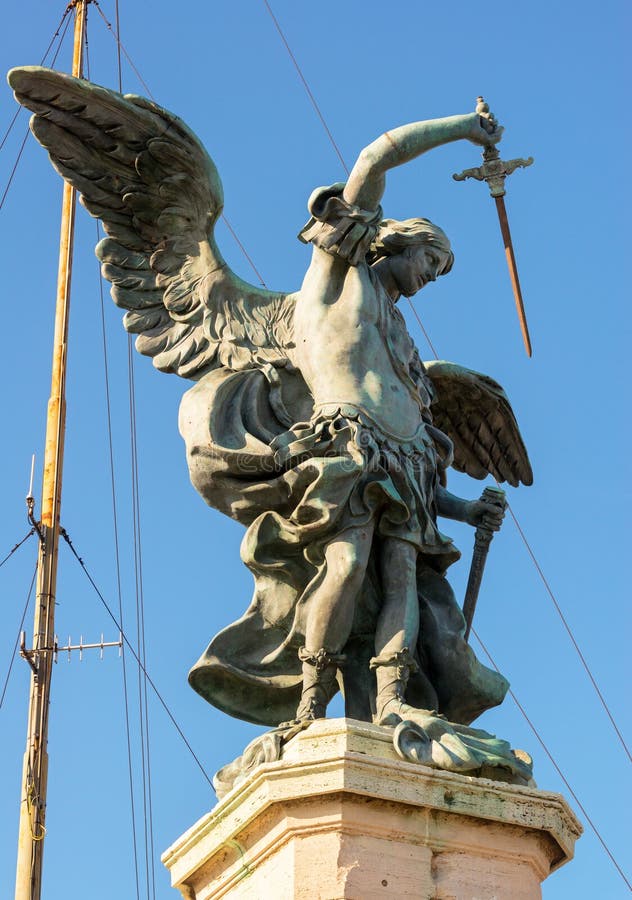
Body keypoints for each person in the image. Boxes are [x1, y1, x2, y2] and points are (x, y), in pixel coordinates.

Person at [185, 108, 511, 729]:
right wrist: (464, 128)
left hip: (407, 461)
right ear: (399, 242)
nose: (426, 281)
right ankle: (310, 699)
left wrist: (467, 511)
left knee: (402, 580)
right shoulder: (337, 277)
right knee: (346, 565)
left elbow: (420, 448)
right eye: (427, 263)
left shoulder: (404, 348)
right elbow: (375, 157)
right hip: (348, 443)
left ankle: (391, 701)